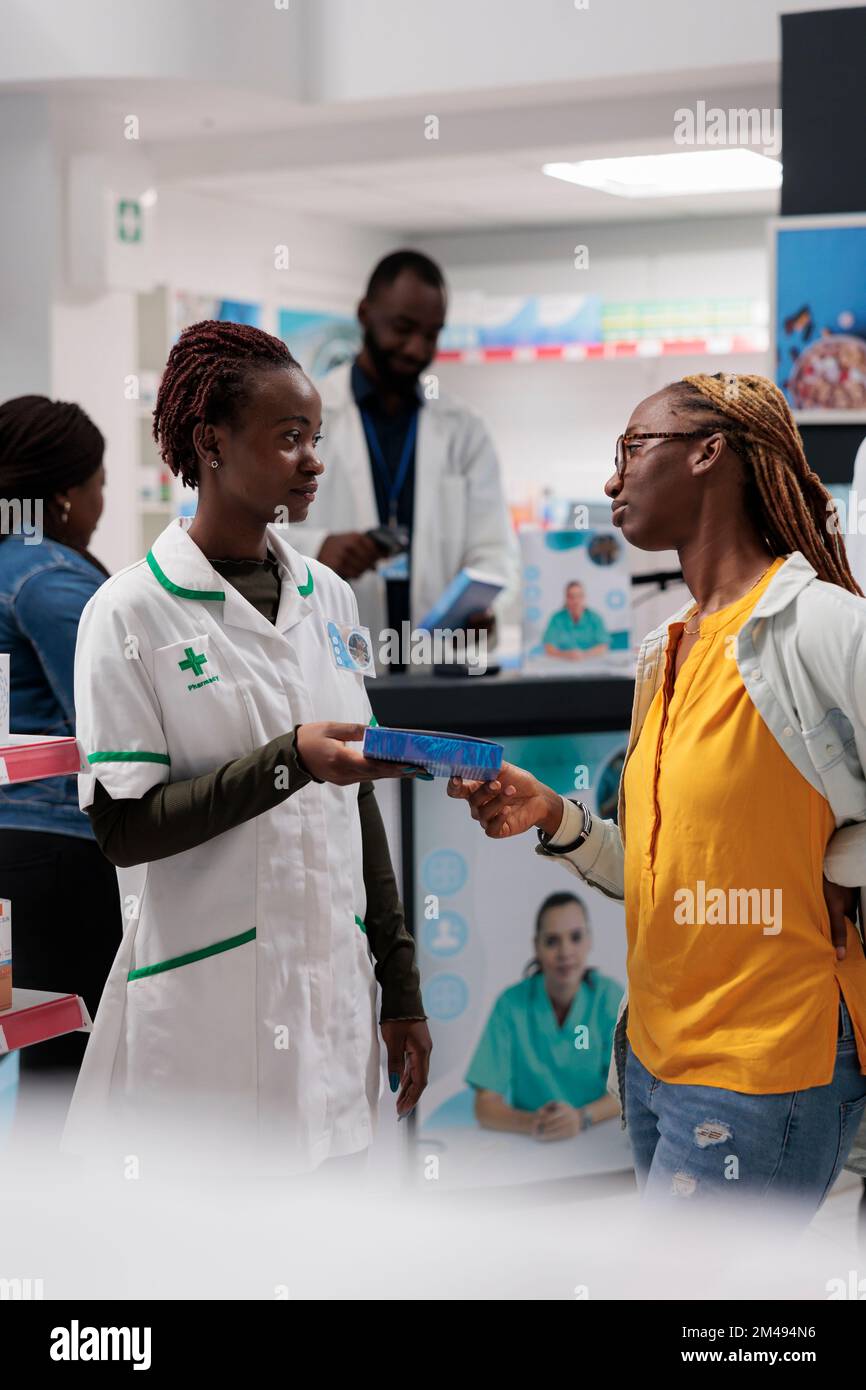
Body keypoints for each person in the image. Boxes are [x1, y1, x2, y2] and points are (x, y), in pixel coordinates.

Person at [448, 372, 866, 1220]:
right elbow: (660, 869)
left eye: (632, 449)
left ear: (710, 453)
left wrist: (842, 860)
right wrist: (554, 817)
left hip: (764, 1062)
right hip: (649, 1062)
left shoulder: (819, 627)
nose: (613, 480)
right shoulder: (666, 651)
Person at [62, 321, 432, 1174]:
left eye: (318, 438)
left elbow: (358, 798)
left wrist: (399, 986)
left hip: (331, 1002)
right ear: (211, 442)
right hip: (204, 1018)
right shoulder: (129, 614)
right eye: (289, 437)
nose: (313, 461)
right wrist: (288, 759)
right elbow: (125, 831)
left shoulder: (329, 597)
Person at [288, 250, 519, 670]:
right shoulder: (309, 416)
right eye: (403, 328)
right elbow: (259, 530)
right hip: (331, 662)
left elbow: (495, 550)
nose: (417, 349)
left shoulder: (464, 429)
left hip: (433, 669)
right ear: (364, 314)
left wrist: (482, 607)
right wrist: (318, 548)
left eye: (432, 334)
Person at [0, 396, 118, 1082]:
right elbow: (110, 720)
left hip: (15, 850)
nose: (100, 501)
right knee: (74, 1071)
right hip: (54, 856)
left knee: (43, 1053)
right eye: (98, 484)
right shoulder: (47, 577)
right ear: (68, 493)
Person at [466, 891, 621, 1138]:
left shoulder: (610, 999)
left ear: (589, 940)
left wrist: (581, 1118)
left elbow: (631, 1089)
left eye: (576, 937)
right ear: (536, 946)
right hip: (530, 1146)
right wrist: (534, 1123)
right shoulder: (511, 1005)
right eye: (551, 941)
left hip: (599, 1139)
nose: (565, 951)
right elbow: (484, 1105)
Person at [542, 581, 610, 661]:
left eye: (579, 596)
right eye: (571, 597)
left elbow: (603, 646)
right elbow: (549, 648)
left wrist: (584, 655)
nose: (575, 601)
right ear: (566, 598)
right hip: (563, 664)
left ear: (584, 597)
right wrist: (566, 655)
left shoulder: (595, 618)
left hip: (591, 663)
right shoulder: (556, 619)